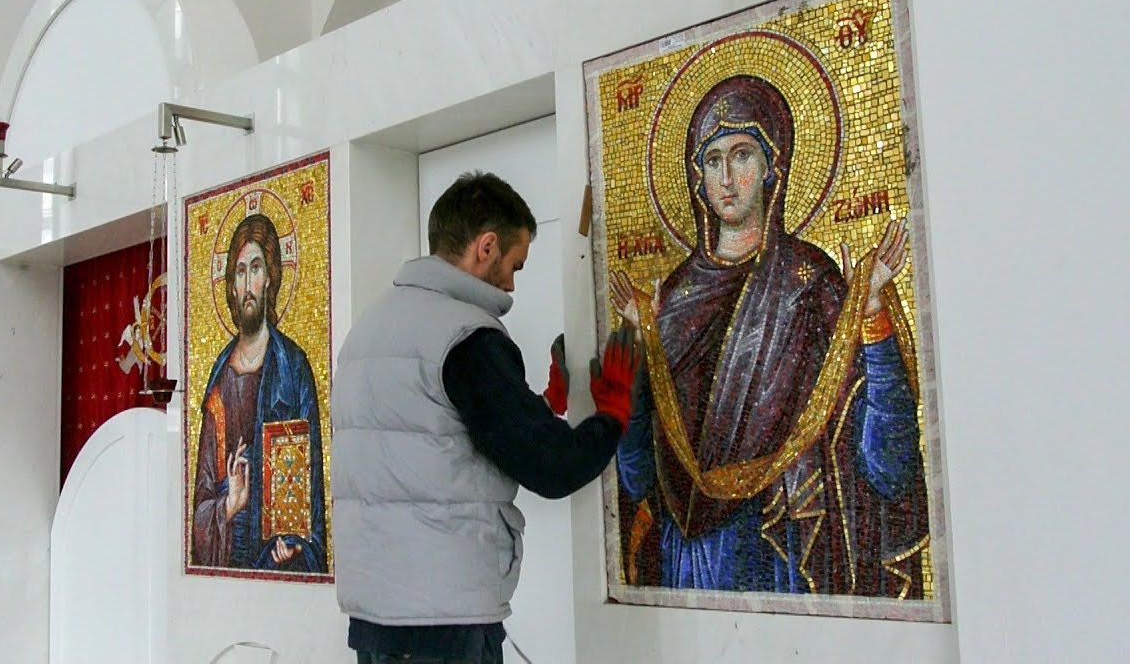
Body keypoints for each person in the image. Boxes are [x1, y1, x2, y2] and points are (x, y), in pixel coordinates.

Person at [609, 74, 930, 597]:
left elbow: (885, 465)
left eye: (741, 155)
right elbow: (641, 474)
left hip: (780, 541)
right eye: (712, 161)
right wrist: (633, 354)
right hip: (686, 557)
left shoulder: (812, 285)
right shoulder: (668, 301)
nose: (727, 178)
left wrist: (869, 312)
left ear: (770, 168)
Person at [332, 171, 641, 664]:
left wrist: (543, 406)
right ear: (487, 246)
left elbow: (440, 442)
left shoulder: (367, 331)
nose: (513, 283)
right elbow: (552, 466)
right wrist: (615, 412)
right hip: (445, 621)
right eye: (515, 264)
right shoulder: (466, 337)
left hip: (376, 621)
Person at [191, 213, 327, 573]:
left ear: (270, 278)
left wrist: (297, 542)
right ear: (232, 286)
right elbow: (201, 501)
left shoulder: (293, 367)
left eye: (255, 268)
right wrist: (229, 505)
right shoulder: (218, 380)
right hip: (228, 554)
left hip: (272, 552)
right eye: (239, 272)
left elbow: (310, 484)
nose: (247, 283)